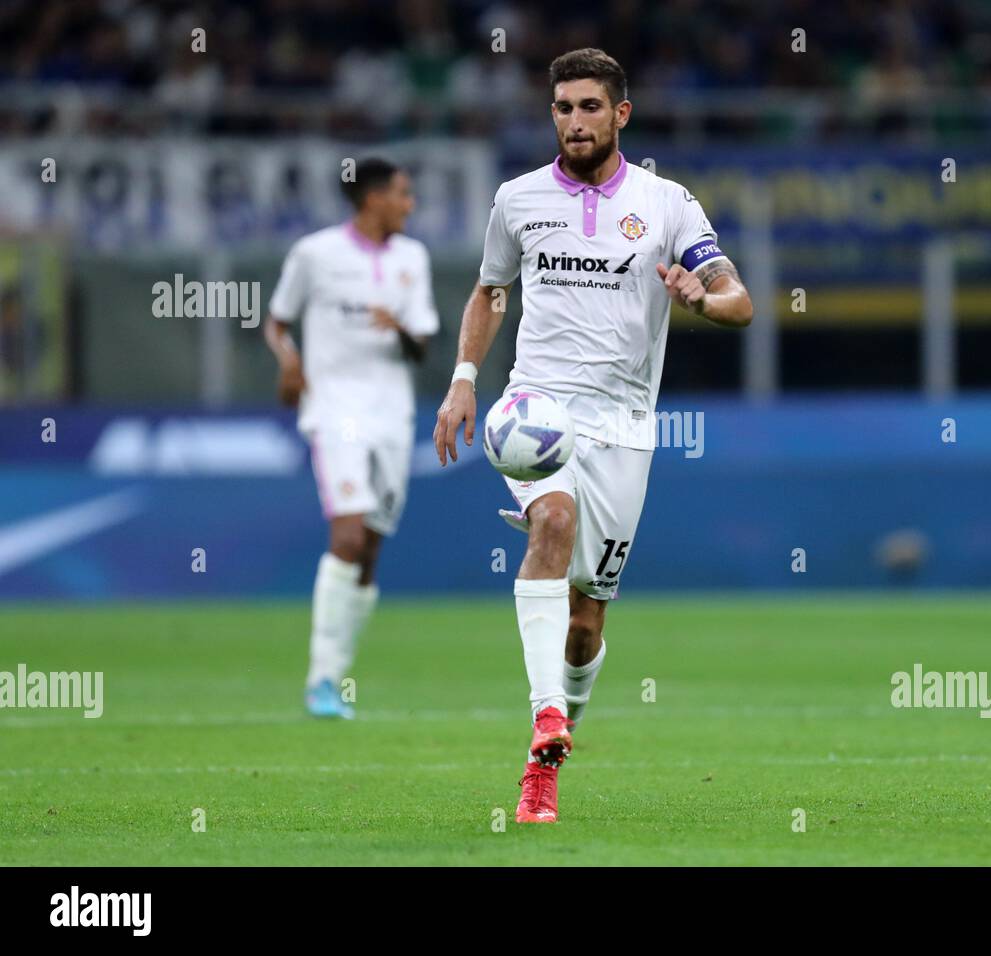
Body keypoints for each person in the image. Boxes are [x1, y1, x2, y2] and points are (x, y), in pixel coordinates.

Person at [434, 49, 753, 823]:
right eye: (562, 107)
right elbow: (489, 291)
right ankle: (544, 718)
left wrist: (699, 301)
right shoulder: (517, 199)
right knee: (553, 518)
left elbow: (738, 299)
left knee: (587, 620)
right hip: (535, 409)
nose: (574, 120)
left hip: (624, 426)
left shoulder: (668, 204)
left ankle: (556, 739)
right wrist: (464, 380)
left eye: (588, 107)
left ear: (621, 115)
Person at [264, 158, 439, 718]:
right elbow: (277, 320)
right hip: (334, 408)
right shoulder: (315, 254)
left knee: (369, 548)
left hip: (392, 413)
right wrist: (288, 362)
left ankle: (335, 675)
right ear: (372, 198)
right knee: (346, 534)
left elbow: (424, 346)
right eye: (403, 194)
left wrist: (403, 330)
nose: (410, 205)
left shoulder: (413, 258)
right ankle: (320, 681)